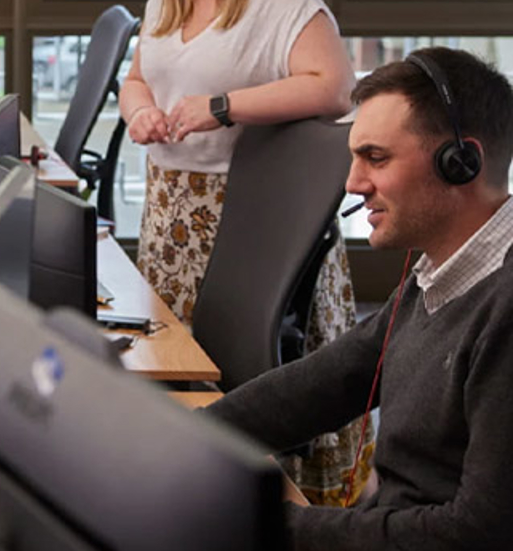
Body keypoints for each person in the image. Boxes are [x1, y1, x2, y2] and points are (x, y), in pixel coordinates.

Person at [117, 0, 363, 502]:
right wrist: (139, 110)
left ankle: (272, 512)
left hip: (253, 216)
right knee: (180, 373)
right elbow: (138, 76)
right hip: (173, 212)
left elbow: (334, 87)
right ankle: (183, 499)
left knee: (253, 377)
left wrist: (223, 107)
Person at [208, 47, 513, 549]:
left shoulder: (504, 311)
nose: (352, 184)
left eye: (376, 157)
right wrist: (180, 440)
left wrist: (264, 521)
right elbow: (327, 381)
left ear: (460, 163)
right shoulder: (437, 275)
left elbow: (472, 533)